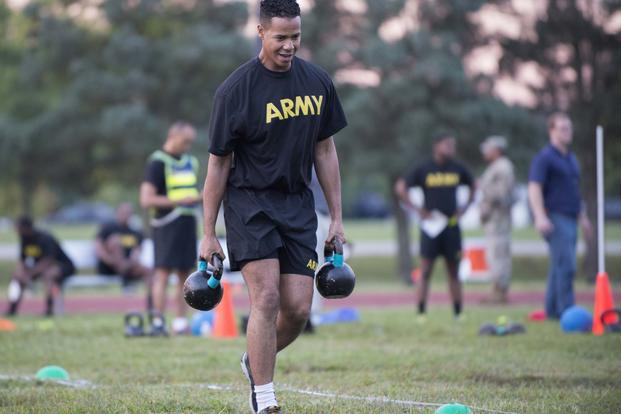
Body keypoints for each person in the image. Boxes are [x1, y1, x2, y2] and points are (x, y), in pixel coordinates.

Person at [200, 1, 347, 412]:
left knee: (298, 309)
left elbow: (326, 151)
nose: (289, 46)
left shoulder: (318, 82)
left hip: (297, 205)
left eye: (296, 37)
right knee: (264, 299)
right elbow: (218, 164)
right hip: (249, 204)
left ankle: (255, 360)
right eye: (281, 37)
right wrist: (208, 231)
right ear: (261, 31)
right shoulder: (235, 91)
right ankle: (264, 398)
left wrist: (336, 217)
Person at [395, 133, 475, 322]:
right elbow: (400, 187)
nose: (451, 148)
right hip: (431, 227)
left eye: (452, 145)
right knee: (425, 270)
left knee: (454, 270)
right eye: (447, 145)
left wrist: (464, 208)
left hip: (451, 226)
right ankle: (421, 312)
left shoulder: (457, 168)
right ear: (436, 146)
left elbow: (474, 185)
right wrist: (417, 210)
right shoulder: (424, 168)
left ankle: (458, 312)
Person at [528, 112, 592, 319]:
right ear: (551, 131)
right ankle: (567, 312)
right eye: (563, 128)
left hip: (572, 217)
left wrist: (583, 217)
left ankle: (553, 310)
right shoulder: (545, 158)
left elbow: (574, 189)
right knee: (567, 265)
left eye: (569, 128)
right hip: (555, 217)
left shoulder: (571, 158)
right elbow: (534, 187)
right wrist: (539, 216)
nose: (568, 132)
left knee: (558, 266)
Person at [139, 122, 201, 335]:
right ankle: (158, 321)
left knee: (186, 274)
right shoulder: (157, 162)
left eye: (190, 143)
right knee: (163, 273)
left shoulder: (191, 162)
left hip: (187, 223)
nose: (187, 146)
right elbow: (147, 199)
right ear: (172, 136)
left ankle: (181, 322)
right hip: (166, 224)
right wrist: (181, 200)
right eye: (185, 141)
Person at [5, 216, 75, 317]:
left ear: (26, 227)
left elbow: (49, 261)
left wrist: (30, 273)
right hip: (39, 269)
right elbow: (22, 259)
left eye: (18, 228)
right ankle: (12, 309)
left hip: (62, 266)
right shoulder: (24, 239)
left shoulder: (45, 238)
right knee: (17, 277)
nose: (16, 231)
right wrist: (21, 272)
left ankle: (49, 310)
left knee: (49, 275)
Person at [478, 136, 515, 304]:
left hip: (499, 219)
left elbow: (502, 194)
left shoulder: (503, 167)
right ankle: (495, 290)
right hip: (493, 219)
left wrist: (483, 187)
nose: (485, 152)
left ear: (497, 150)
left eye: (488, 148)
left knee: (498, 253)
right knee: (493, 254)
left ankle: (499, 292)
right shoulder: (495, 167)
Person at [94, 202, 153, 309]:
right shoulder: (108, 228)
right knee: (115, 241)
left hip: (129, 267)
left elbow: (137, 253)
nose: (125, 215)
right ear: (117, 213)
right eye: (123, 213)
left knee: (148, 271)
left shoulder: (136, 232)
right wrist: (109, 260)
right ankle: (126, 280)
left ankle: (151, 306)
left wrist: (130, 263)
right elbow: (98, 247)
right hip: (108, 267)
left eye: (128, 213)